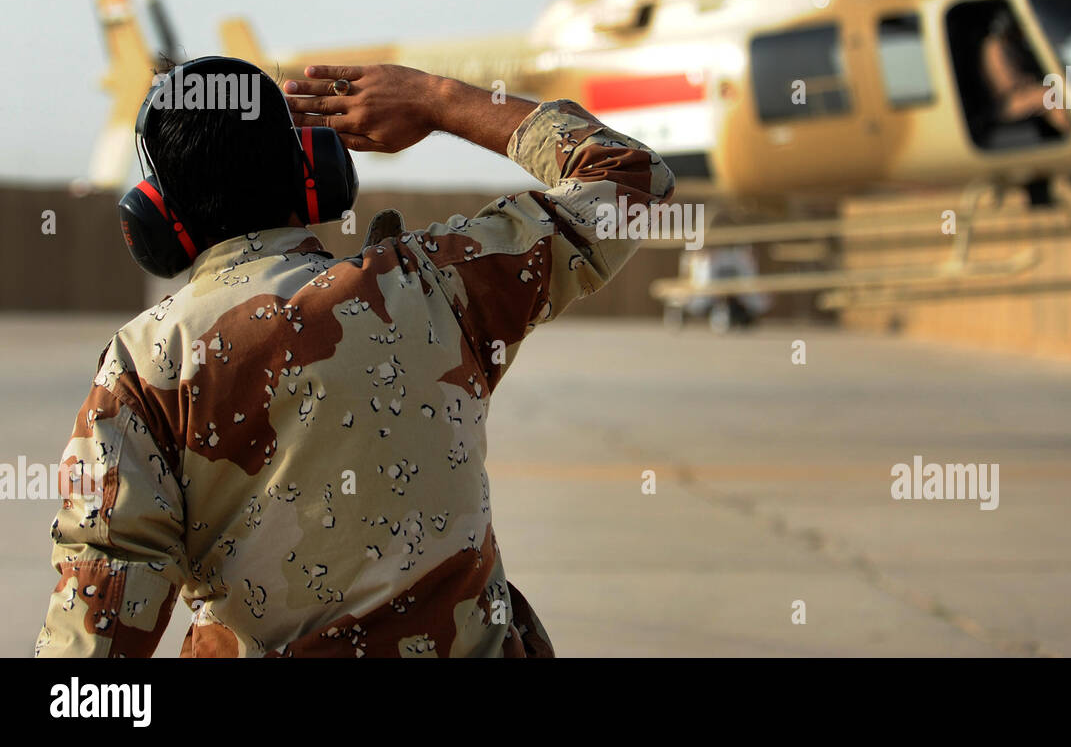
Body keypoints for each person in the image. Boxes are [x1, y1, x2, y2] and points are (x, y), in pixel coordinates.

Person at [35, 58, 674, 657]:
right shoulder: (433, 287)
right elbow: (631, 177)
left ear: (156, 217)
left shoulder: (144, 366)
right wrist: (436, 100)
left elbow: (98, 624)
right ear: (316, 172)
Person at [979, 10, 1071, 136]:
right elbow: (1006, 85)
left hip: (1020, 95)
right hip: (1007, 103)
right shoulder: (994, 46)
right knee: (1050, 95)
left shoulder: (1012, 44)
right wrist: (1033, 79)